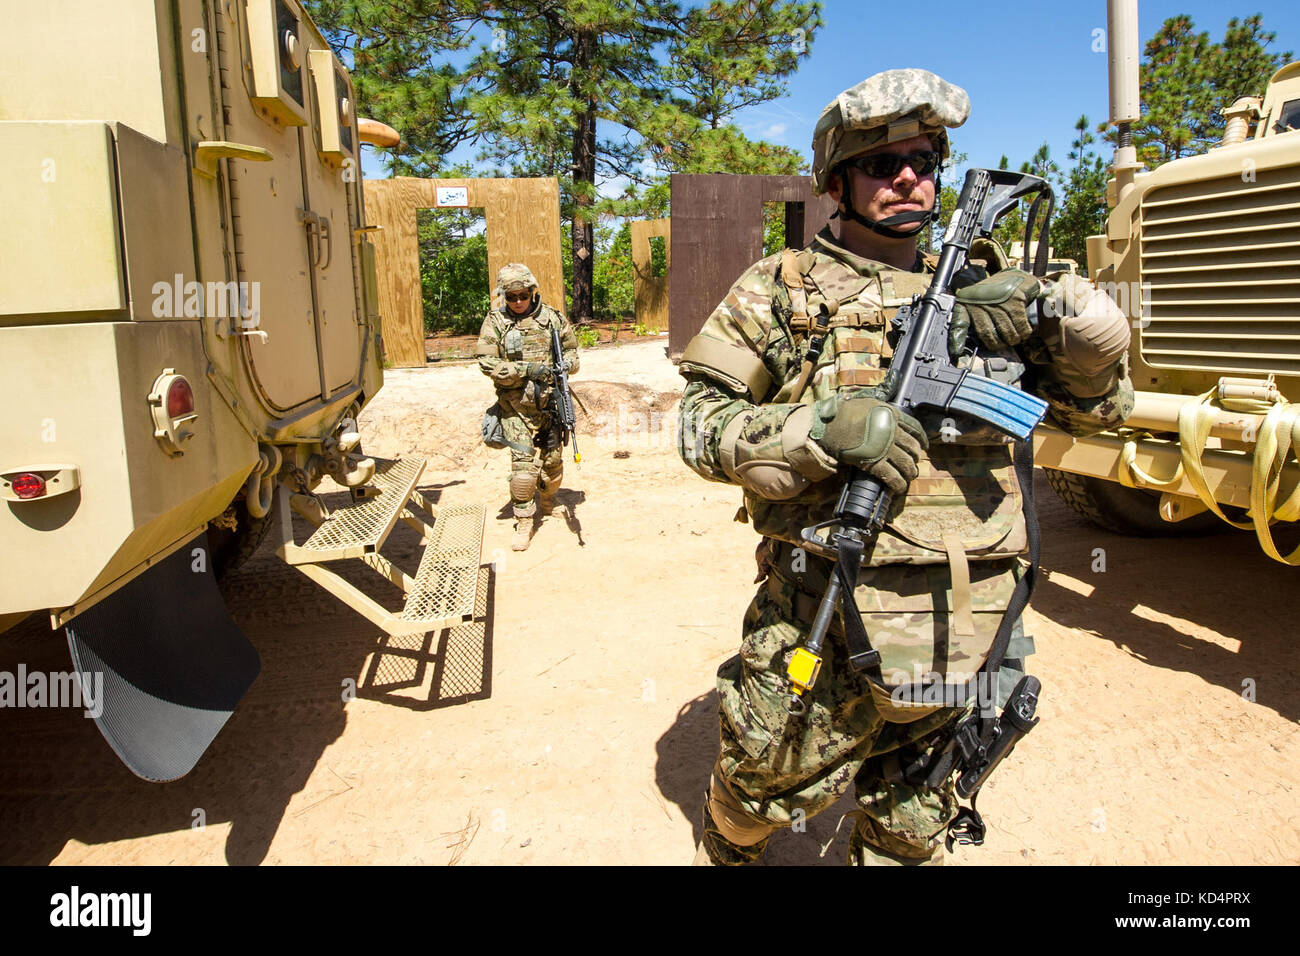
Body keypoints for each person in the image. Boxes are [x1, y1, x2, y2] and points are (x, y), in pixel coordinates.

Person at [676, 69, 1134, 865]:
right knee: (758, 794)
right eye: (883, 166)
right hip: (824, 607)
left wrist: (1083, 340)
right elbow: (695, 427)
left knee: (914, 826)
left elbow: (1097, 415)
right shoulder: (778, 291)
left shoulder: (987, 288)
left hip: (974, 619)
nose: (909, 178)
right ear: (838, 179)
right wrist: (817, 430)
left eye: (923, 160)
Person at [476, 263, 580, 551]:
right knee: (523, 469)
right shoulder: (496, 321)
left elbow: (572, 350)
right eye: (511, 297)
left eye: (522, 295)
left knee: (552, 465)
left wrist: (566, 365)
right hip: (515, 407)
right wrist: (526, 370)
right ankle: (523, 520)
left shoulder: (552, 319)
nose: (518, 302)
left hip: (550, 404)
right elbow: (486, 362)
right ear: (504, 297)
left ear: (532, 292)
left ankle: (547, 503)